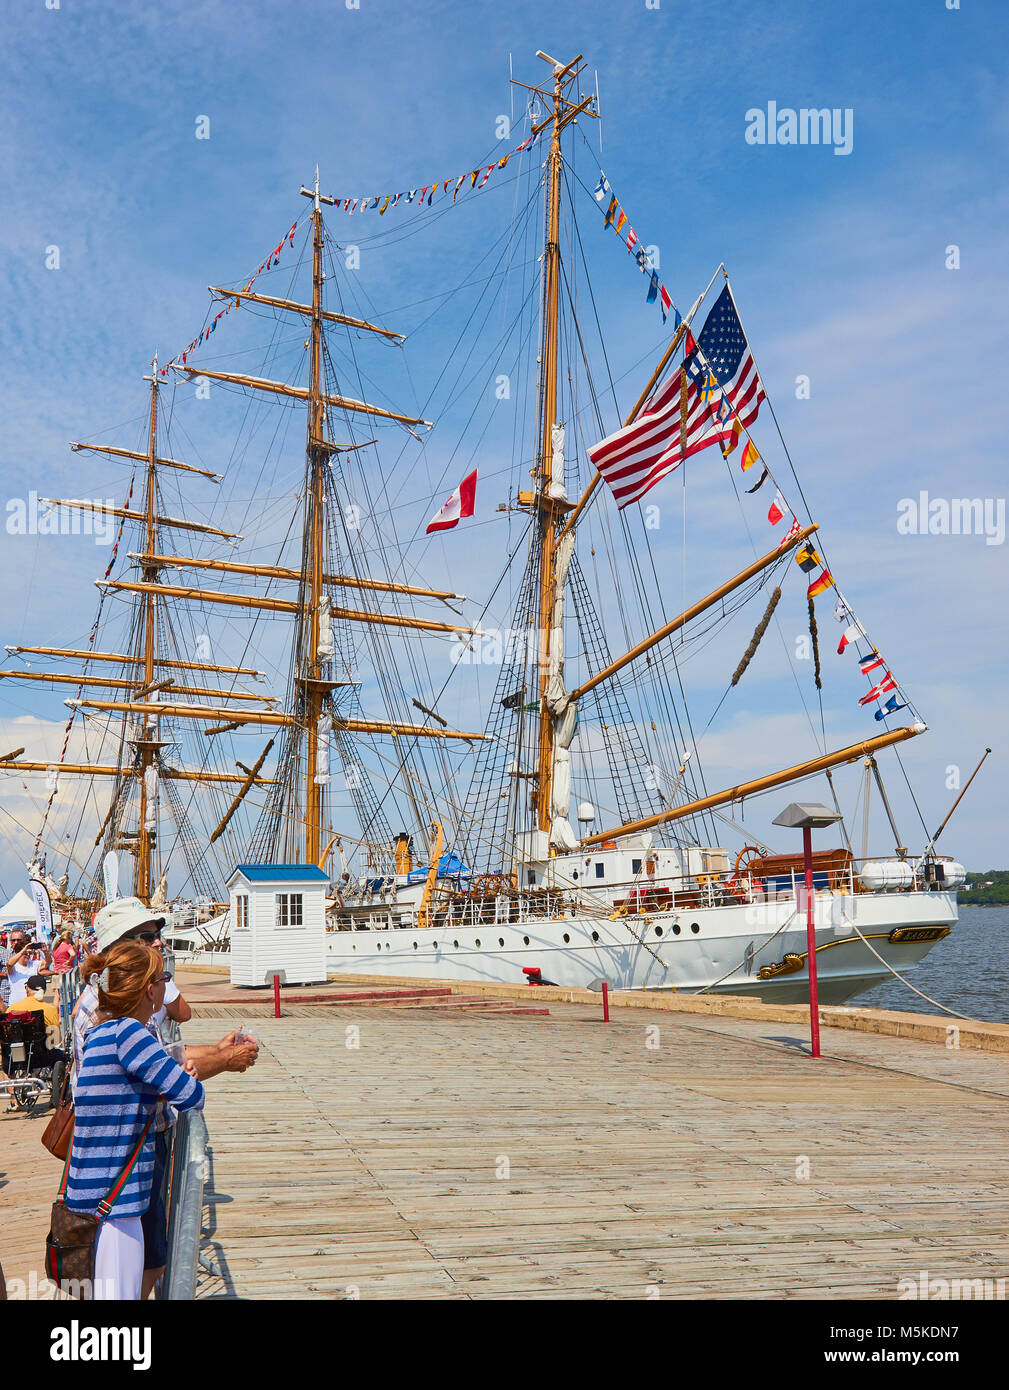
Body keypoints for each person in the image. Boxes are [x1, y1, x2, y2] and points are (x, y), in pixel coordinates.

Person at [71, 896, 257, 1297]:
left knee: (138, 1267)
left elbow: (150, 1066)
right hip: (116, 1187)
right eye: (149, 938)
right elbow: (186, 1090)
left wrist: (215, 1056)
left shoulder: (112, 1025)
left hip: (101, 1180)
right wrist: (204, 1069)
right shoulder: (123, 1027)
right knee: (121, 1282)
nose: (159, 945)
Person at [65, 941, 204, 1300]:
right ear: (149, 989)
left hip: (93, 1193)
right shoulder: (130, 1033)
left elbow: (120, 1092)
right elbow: (191, 1095)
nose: (165, 986)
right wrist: (181, 1078)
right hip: (117, 1204)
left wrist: (160, 1085)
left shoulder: (102, 1031)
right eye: (164, 978)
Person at [6, 975, 64, 1067]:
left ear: (27, 988)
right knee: (62, 1055)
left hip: (15, 1057)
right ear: (43, 991)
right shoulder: (50, 1009)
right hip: (42, 1057)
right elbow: (55, 1040)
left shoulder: (12, 1009)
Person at [0, 929, 53, 1005]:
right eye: (26, 953)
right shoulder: (14, 966)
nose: (28, 955)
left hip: (32, 1003)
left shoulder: (34, 964)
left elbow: (47, 963)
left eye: (29, 953)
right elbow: (9, 964)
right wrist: (23, 950)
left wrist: (45, 951)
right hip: (16, 1004)